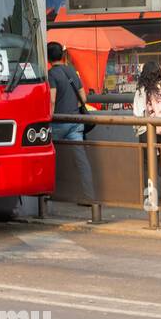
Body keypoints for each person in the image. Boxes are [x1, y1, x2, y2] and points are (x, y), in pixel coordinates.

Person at [46, 42, 94, 205]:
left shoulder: (51, 74)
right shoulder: (72, 71)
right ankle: (89, 196)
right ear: (62, 55)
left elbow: (51, 99)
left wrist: (49, 117)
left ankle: (45, 196)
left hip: (58, 124)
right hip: (75, 122)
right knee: (81, 160)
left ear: (48, 58)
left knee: (46, 154)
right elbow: (84, 99)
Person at [132, 62, 161, 142]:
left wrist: (137, 128)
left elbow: (138, 113)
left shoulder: (142, 90)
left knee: (148, 154)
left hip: (147, 130)